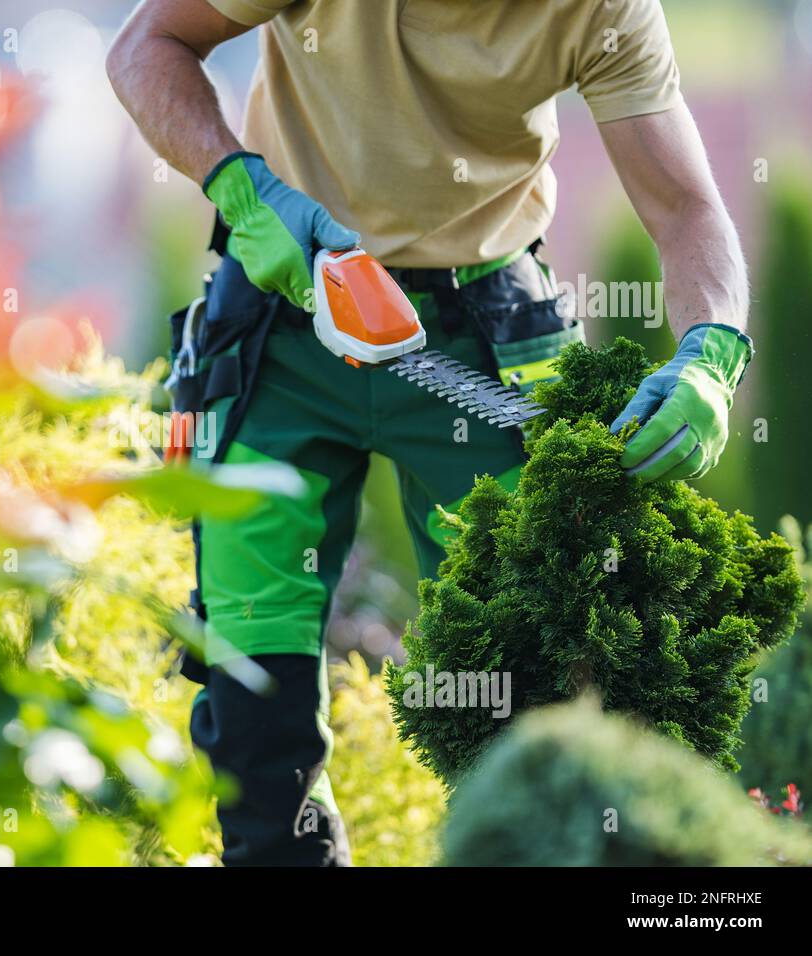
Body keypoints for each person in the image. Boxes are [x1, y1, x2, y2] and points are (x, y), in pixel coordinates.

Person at [107, 0, 754, 866]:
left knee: (521, 715)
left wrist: (711, 353)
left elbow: (686, 210)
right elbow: (147, 45)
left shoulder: (602, 7)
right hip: (287, 318)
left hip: (487, 333)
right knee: (254, 719)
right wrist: (240, 186)